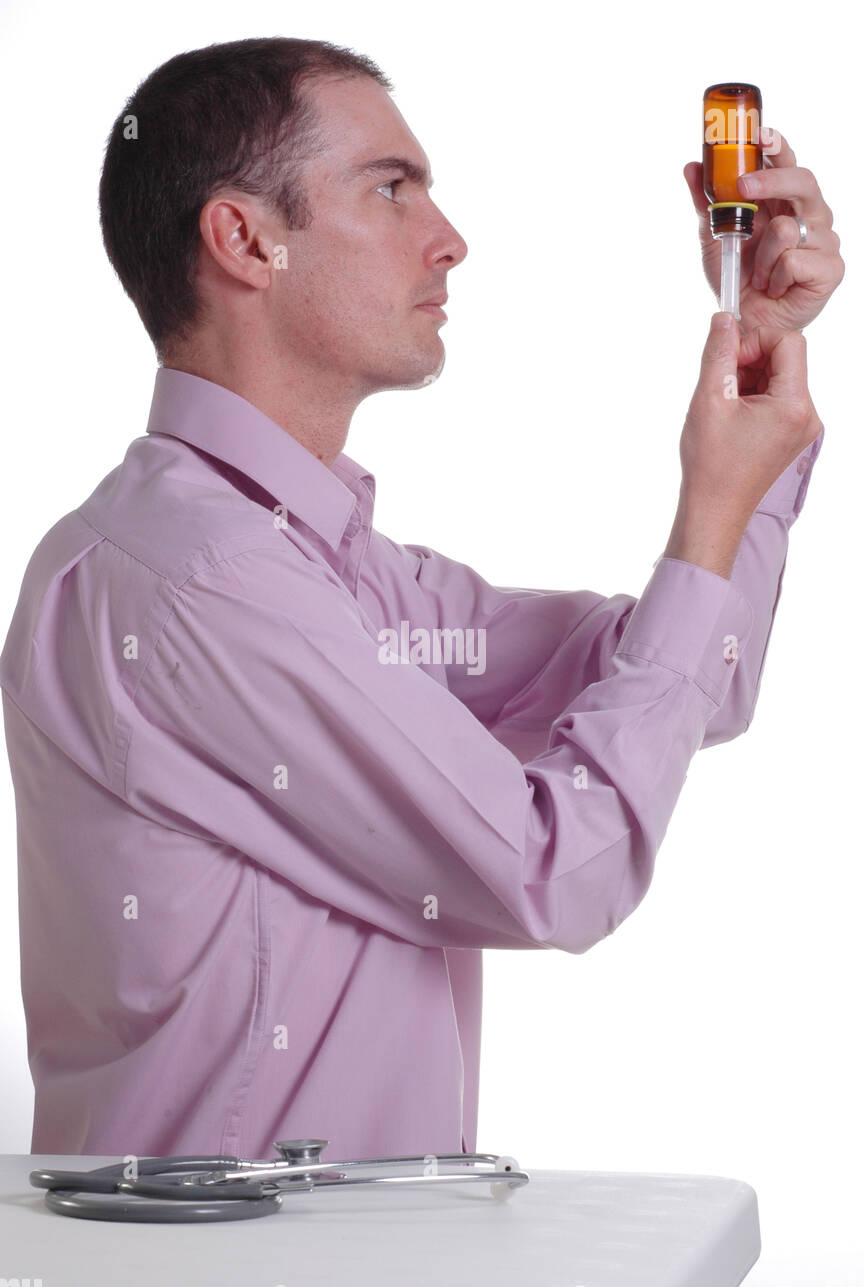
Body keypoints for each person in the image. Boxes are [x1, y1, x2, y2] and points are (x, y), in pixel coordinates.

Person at [0, 38, 843, 1162]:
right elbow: (556, 869)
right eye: (391, 188)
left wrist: (759, 355)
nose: (449, 238)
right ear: (248, 239)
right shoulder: (207, 583)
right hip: (240, 1279)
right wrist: (710, 507)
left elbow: (691, 683)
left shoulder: (323, 564)